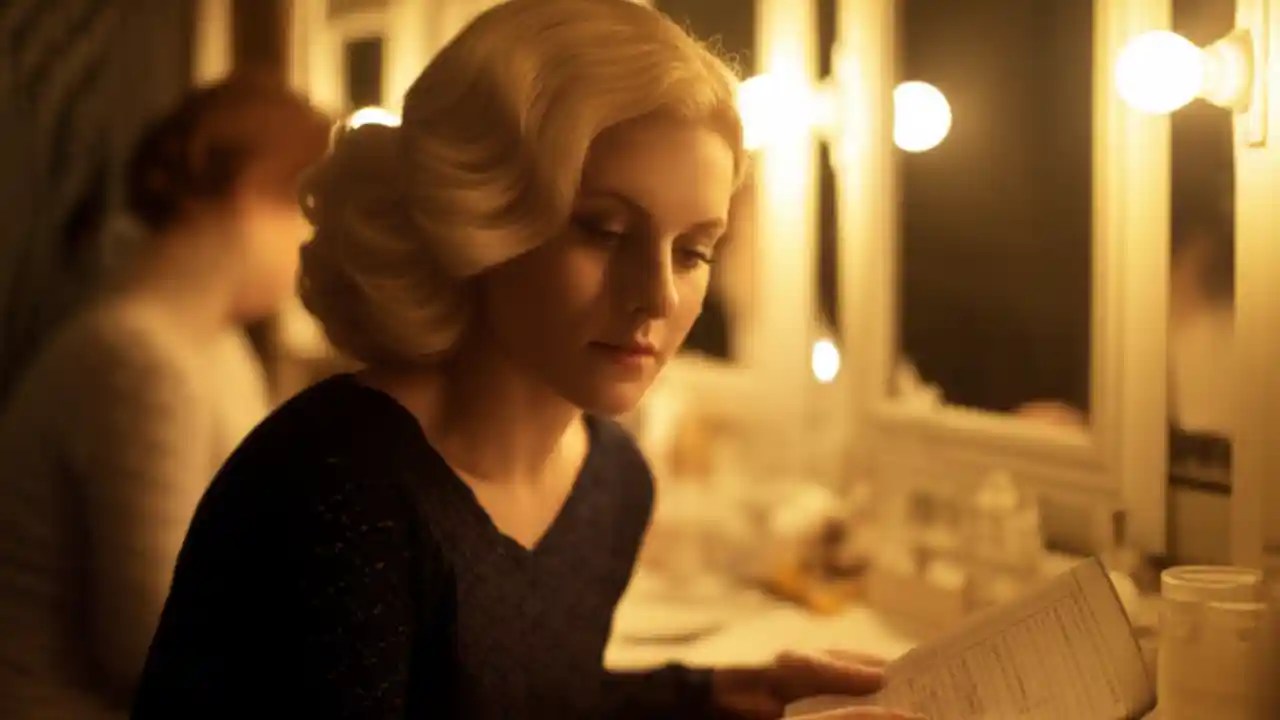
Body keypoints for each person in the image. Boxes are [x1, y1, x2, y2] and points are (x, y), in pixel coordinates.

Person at [129, 2, 925, 719]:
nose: (654, 296)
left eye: (693, 250)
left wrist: (719, 695)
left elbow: (524, 699)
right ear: (482, 216)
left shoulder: (611, 482)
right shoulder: (340, 485)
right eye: (604, 230)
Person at [0, 74, 330, 720]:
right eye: (304, 211)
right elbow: (152, 643)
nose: (309, 245)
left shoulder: (216, 348)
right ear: (250, 196)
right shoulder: (134, 357)